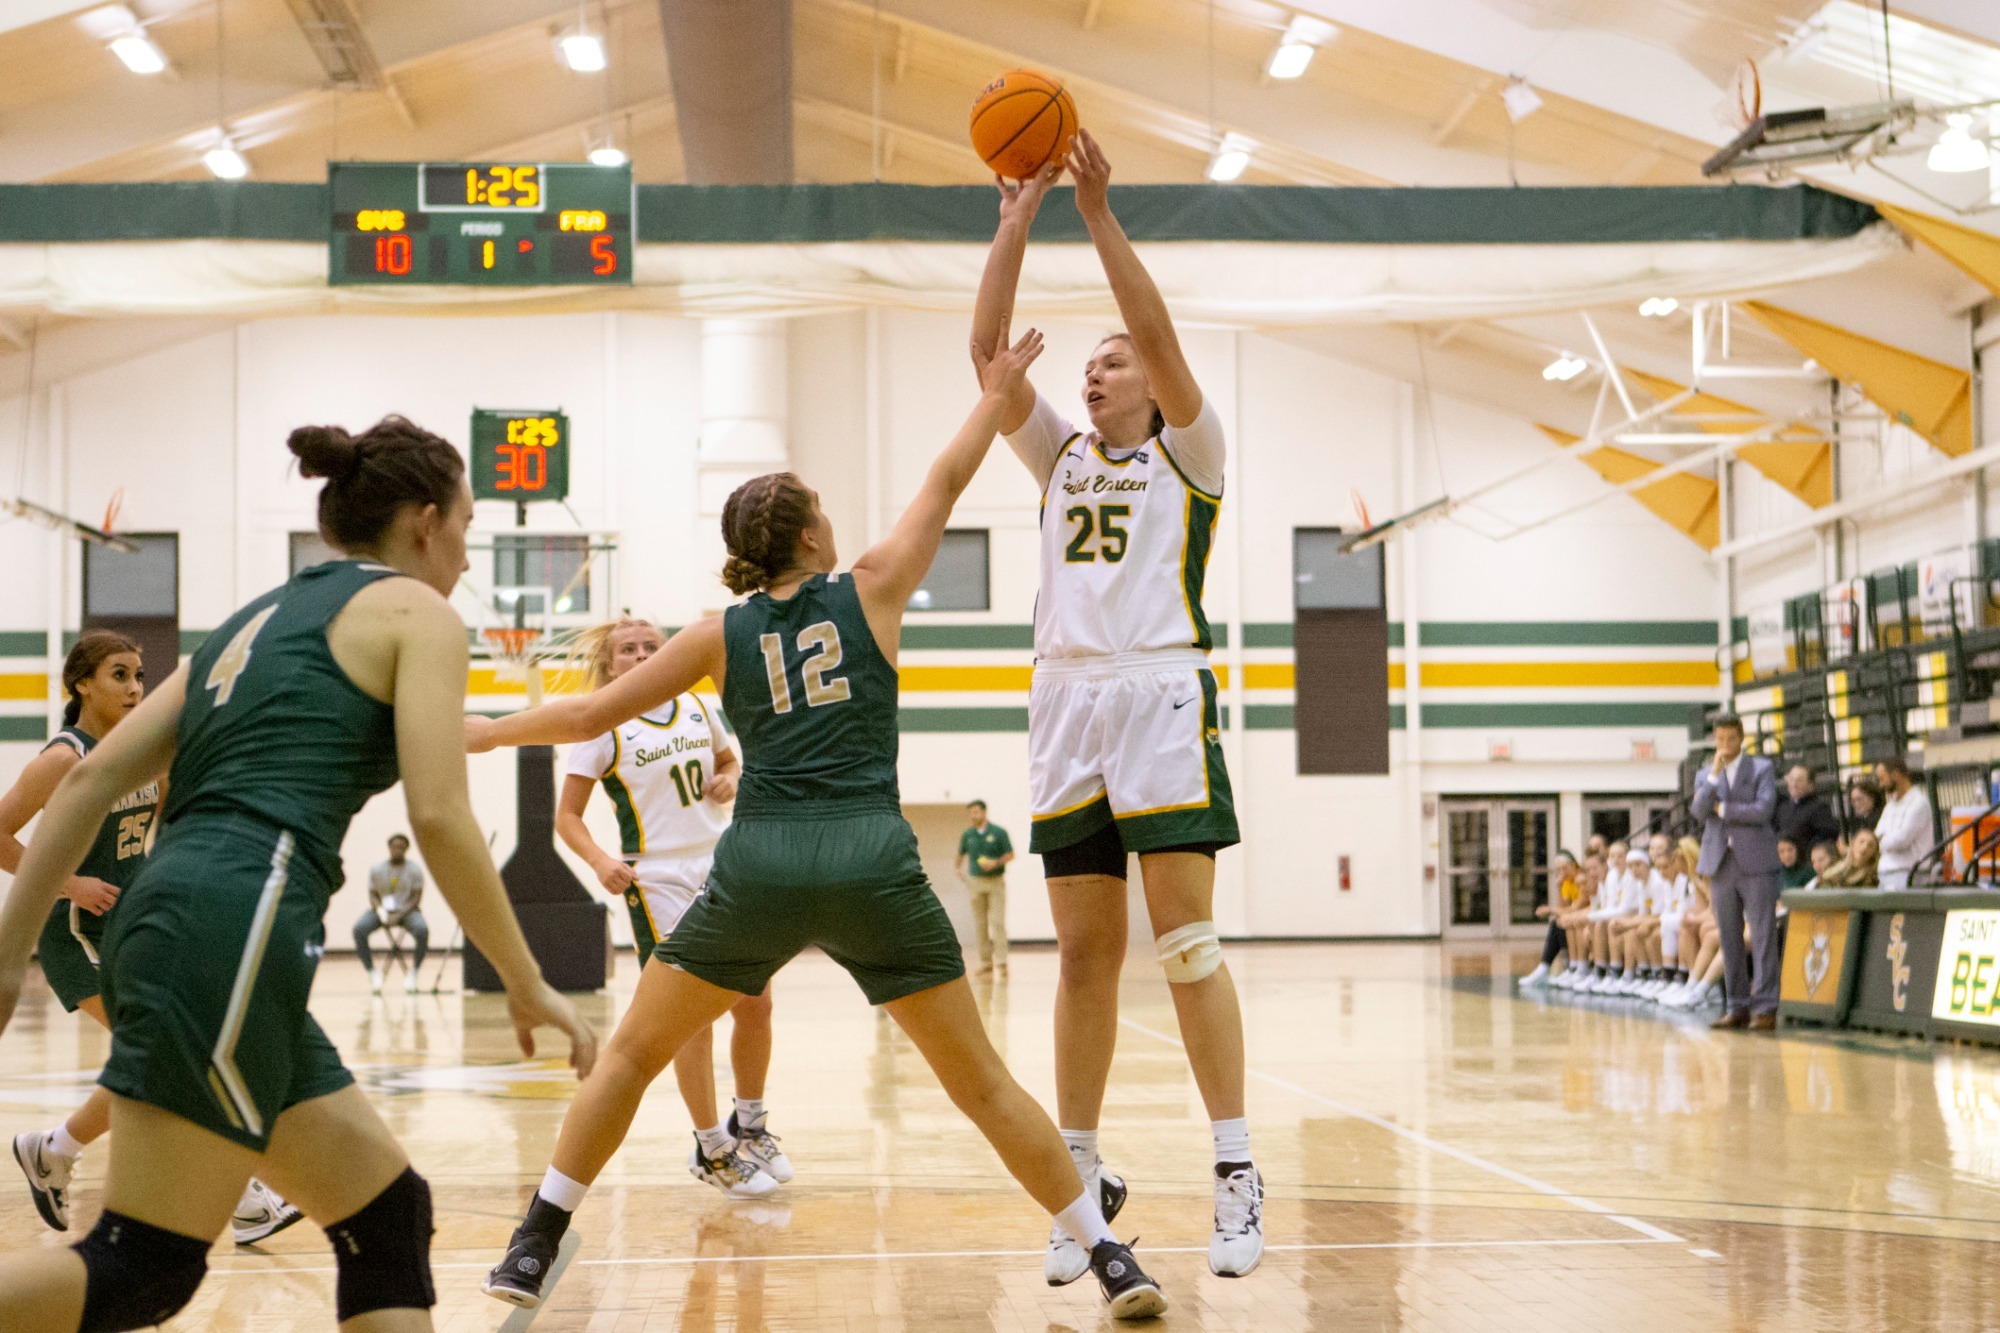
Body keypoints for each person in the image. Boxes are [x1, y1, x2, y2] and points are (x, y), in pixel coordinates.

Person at [474, 329, 1170, 1320]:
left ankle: (535, 1239)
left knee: (630, 1056)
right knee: (981, 1085)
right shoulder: (875, 585)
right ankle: (1108, 1260)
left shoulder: (716, 632)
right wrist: (998, 392)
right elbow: (948, 474)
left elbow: (586, 716)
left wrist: (484, 730)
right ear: (809, 537)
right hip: (869, 861)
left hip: (756, 863)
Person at [0, 415, 597, 1333]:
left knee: (387, 1216)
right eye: (468, 532)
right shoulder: (420, 614)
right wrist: (527, 979)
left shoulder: (248, 622)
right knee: (141, 1270)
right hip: (235, 913)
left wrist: (8, 959)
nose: (467, 561)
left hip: (169, 912)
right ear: (426, 521)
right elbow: (440, 815)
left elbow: (88, 778)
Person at [973, 128, 1259, 1282]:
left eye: (1113, 361)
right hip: (1065, 702)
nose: (1095, 373)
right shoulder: (1057, 459)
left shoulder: (1190, 453)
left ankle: (1235, 1171)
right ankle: (1076, 1183)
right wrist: (1013, 217)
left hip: (1157, 693)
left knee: (1184, 942)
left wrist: (1094, 215)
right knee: (1080, 955)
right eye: (1088, 364)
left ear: (1151, 376)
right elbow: (989, 354)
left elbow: (1161, 337)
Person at [3, 632, 304, 1247]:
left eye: (139, 675)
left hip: (137, 924)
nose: (135, 687)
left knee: (166, 1055)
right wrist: (69, 883)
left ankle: (53, 1150)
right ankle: (246, 1202)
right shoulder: (64, 759)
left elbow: (169, 824)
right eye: (120, 674)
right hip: (78, 935)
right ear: (81, 684)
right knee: (173, 1052)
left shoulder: (144, 753)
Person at [553, 615, 788, 1197]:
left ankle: (751, 1127)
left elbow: (730, 761)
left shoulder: (698, 707)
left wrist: (730, 777)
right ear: (610, 665)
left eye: (651, 646)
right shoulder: (602, 724)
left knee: (756, 1002)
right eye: (627, 649)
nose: (639, 655)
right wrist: (601, 861)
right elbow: (567, 817)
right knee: (691, 1020)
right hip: (656, 875)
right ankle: (711, 1147)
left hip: (723, 861)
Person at [1691, 714, 1782, 1031]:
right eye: (1719, 739)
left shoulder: (1762, 768)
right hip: (1720, 863)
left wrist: (1725, 810)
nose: (1725, 745)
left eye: (1730, 739)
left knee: (1762, 936)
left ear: (1741, 738)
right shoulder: (1705, 774)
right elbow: (1699, 811)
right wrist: (1715, 777)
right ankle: (1737, 1006)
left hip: (1756, 863)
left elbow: (1763, 810)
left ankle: (1767, 1006)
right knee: (1728, 939)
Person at [354, 834, 429, 995]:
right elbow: (373, 894)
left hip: (407, 911)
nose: (397, 850)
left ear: (406, 849)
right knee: (359, 929)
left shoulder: (414, 870)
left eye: (401, 847)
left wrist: (401, 913)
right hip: (382, 911)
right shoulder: (377, 869)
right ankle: (372, 972)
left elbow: (416, 896)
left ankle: (413, 972)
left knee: (422, 930)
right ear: (389, 848)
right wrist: (381, 911)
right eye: (395, 847)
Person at [955, 799, 1015, 975]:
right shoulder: (968, 834)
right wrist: (958, 868)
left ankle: (1002, 963)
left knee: (997, 923)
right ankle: (985, 962)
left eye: (975, 812)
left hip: (995, 881)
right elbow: (960, 854)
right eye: (971, 813)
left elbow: (1010, 854)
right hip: (975, 882)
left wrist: (995, 862)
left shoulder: (999, 832)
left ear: (984, 812)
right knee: (980, 924)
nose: (973, 816)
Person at [1519, 850, 1583, 988]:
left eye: (1564, 868)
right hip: (1577, 916)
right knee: (1558, 921)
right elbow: (1564, 907)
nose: (1562, 872)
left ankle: (1566, 967)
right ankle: (1546, 967)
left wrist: (1550, 910)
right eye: (1559, 869)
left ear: (1574, 865)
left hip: (1584, 915)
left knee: (1561, 920)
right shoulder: (1566, 881)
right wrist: (1559, 888)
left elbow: (1576, 908)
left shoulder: (1581, 879)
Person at [1874, 758, 1933, 890]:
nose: (1880, 784)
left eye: (1882, 778)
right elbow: (1876, 836)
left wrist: (1882, 840)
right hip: (1886, 873)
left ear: (1896, 774)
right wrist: (1882, 840)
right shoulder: (1890, 805)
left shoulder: (1919, 803)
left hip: (1909, 874)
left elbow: (1901, 840)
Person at [1775, 765, 1840, 854]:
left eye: (1799, 780)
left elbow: (1828, 836)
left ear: (1811, 784)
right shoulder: (1782, 808)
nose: (1794, 784)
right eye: (1791, 779)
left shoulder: (1820, 808)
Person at [1844, 777, 1884, 844]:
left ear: (1872, 797)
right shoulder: (1861, 821)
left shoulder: (1879, 817)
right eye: (1853, 801)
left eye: (1860, 799)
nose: (1856, 804)